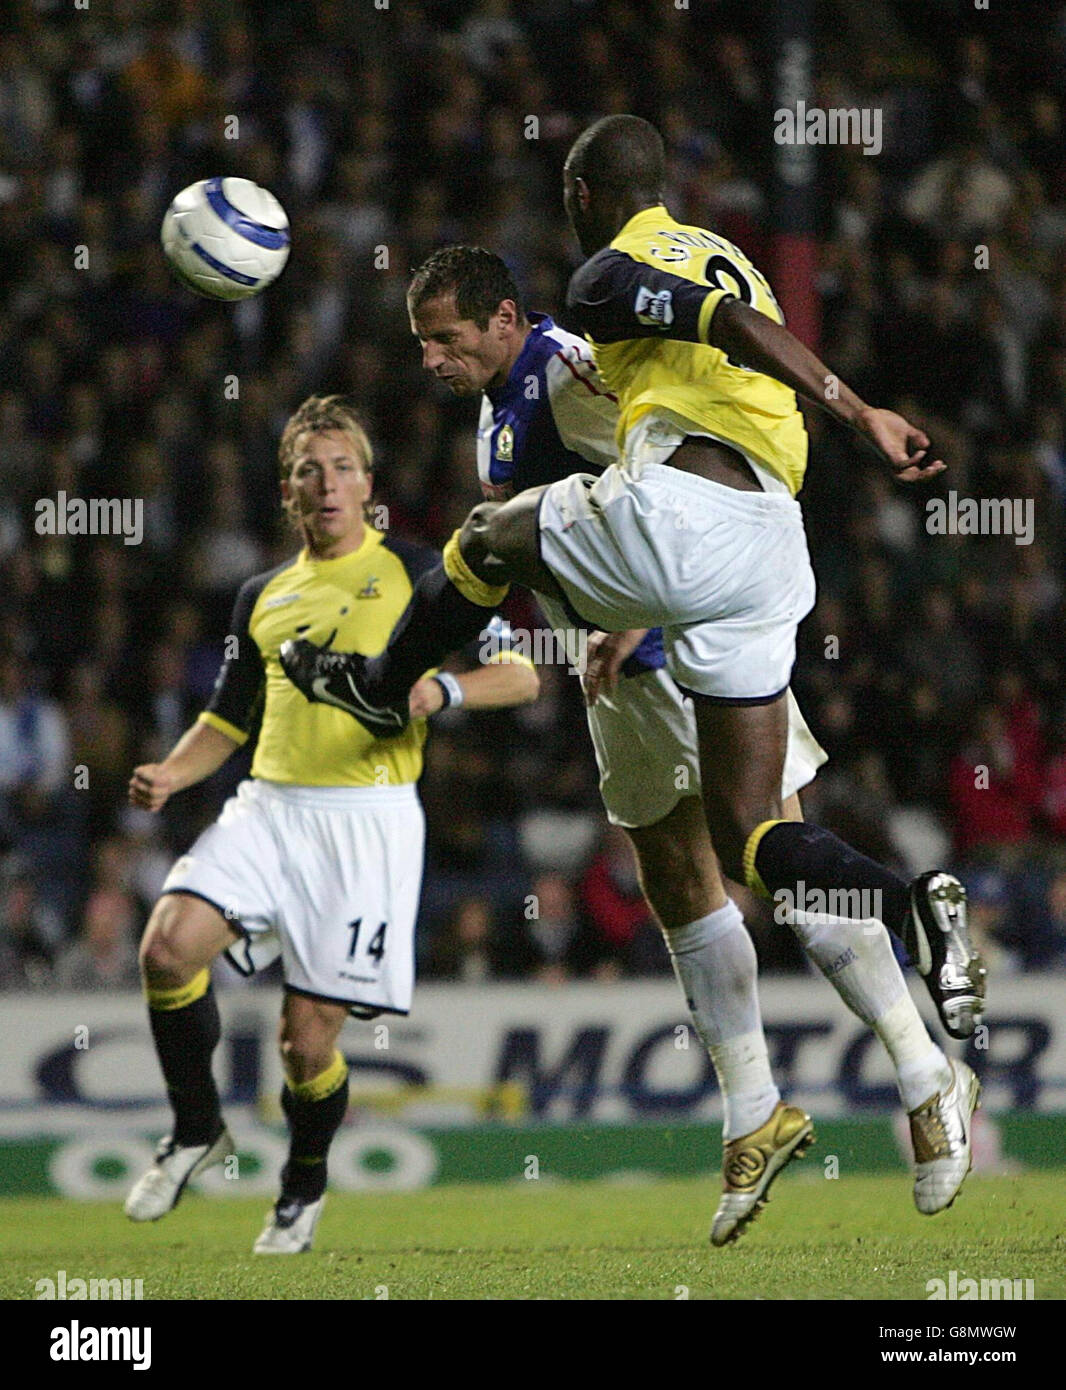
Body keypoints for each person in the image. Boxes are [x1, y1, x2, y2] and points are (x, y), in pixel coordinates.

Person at [282, 120, 988, 1228]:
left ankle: (922, 1074)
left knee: (781, 881)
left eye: (446, 337)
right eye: (420, 342)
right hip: (653, 618)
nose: (430, 359)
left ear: (506, 317)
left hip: (677, 590)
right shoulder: (501, 410)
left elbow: (658, 440)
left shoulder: (572, 354)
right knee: (690, 873)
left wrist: (636, 604)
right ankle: (754, 1114)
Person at [123, 394, 538, 1254]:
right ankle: (197, 1129)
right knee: (166, 947)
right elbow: (227, 722)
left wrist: (443, 689)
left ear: (368, 484)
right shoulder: (261, 597)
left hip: (367, 823)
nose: (328, 484)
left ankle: (302, 1186)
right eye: (310, 470)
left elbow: (523, 673)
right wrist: (171, 771)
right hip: (269, 809)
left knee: (304, 1043)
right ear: (287, 491)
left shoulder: (425, 571)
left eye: (343, 467)